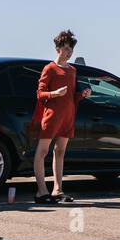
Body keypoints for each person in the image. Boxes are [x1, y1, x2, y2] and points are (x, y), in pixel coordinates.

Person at [32, 30, 89, 204]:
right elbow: (40, 94)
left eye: (70, 49)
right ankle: (41, 191)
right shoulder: (49, 68)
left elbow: (71, 96)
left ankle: (58, 189)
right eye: (65, 48)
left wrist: (82, 95)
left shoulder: (72, 70)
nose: (68, 52)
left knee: (60, 152)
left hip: (67, 117)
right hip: (51, 116)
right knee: (42, 152)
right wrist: (54, 93)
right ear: (57, 48)